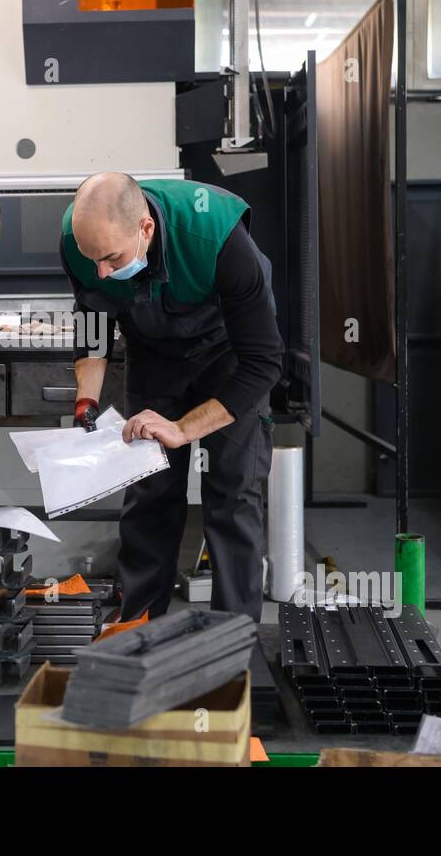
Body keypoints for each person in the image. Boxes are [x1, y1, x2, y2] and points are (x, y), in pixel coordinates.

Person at [60, 172, 283, 624]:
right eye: (92, 259)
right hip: (154, 354)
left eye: (111, 258)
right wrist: (87, 400)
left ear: (145, 229)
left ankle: (233, 633)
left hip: (231, 355)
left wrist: (183, 429)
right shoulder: (81, 239)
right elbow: (92, 319)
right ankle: (139, 622)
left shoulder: (218, 239)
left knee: (233, 492)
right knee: (150, 490)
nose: (101, 271)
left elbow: (263, 363)